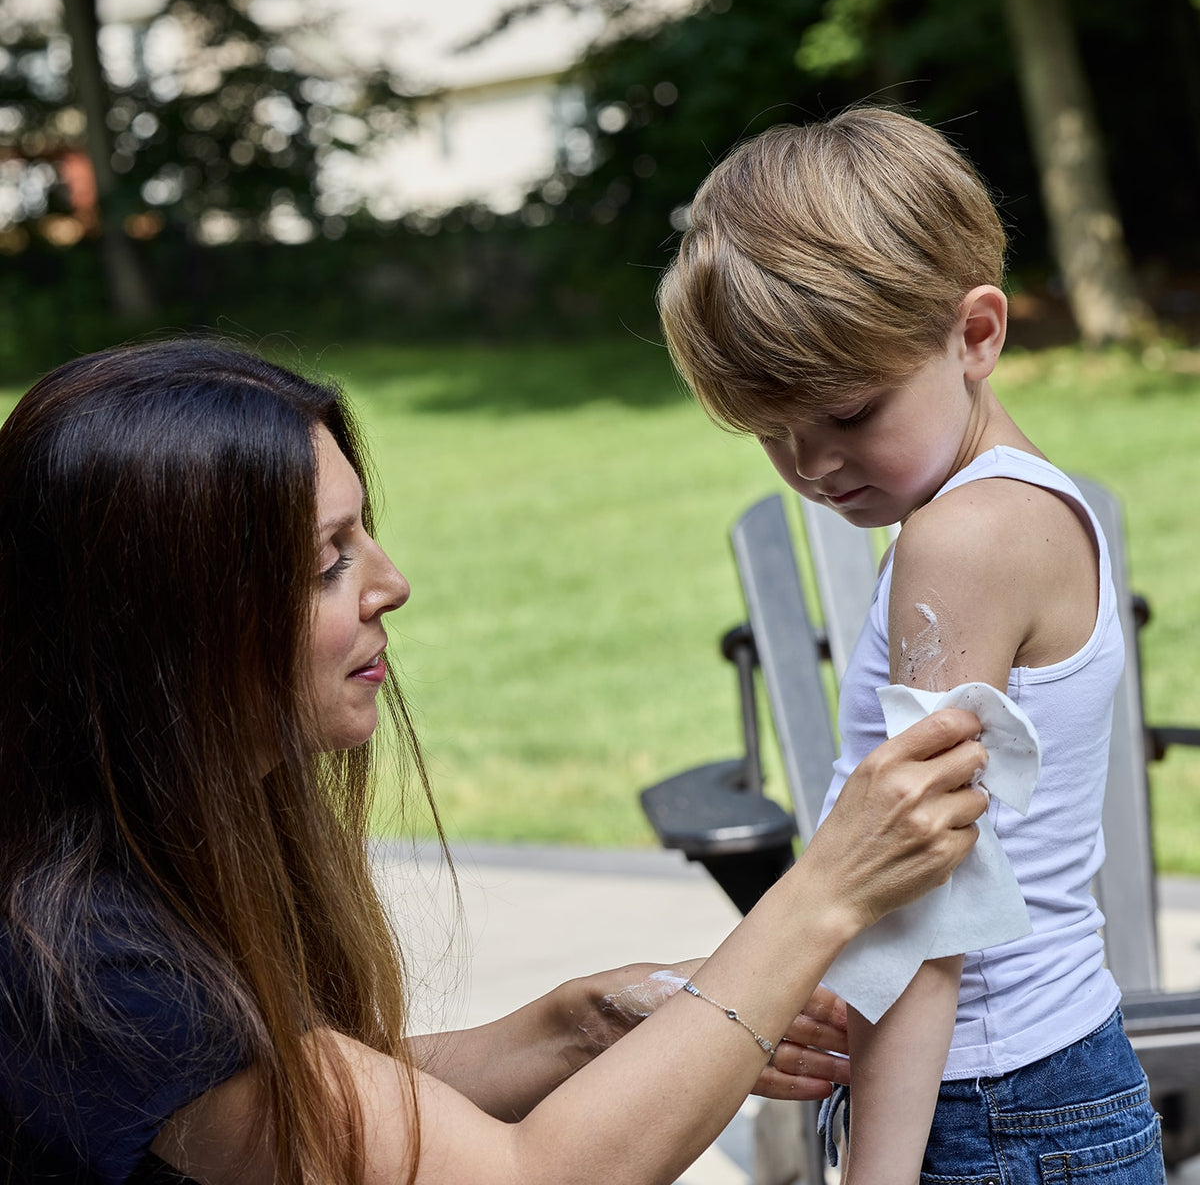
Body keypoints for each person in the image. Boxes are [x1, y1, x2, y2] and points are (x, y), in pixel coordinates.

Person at [0, 338, 991, 1185]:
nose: (393, 583)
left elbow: (322, 1102)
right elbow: (530, 1178)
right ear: (165, 640)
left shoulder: (129, 860)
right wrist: (826, 892)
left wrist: (577, 1025)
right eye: (328, 559)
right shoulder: (85, 959)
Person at [657, 107, 1166, 1184]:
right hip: (1029, 1083)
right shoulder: (1021, 508)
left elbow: (930, 889)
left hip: (987, 1100)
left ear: (977, 334)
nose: (811, 465)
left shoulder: (963, 542)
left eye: (847, 413)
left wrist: (873, 1175)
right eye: (771, 432)